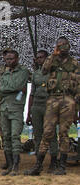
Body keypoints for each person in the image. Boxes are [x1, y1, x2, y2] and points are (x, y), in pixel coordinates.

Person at [26, 37, 79, 176]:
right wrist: (53, 55)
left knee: (63, 133)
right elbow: (44, 70)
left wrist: (76, 108)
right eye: (59, 45)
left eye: (64, 45)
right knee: (47, 132)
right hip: (52, 99)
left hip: (68, 99)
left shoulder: (74, 63)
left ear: (69, 45)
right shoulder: (52, 60)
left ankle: (61, 165)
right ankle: (38, 165)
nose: (62, 47)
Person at [25, 50, 59, 173]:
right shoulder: (36, 74)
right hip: (37, 107)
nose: (40, 60)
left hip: (50, 106)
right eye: (38, 58)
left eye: (42, 57)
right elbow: (32, 94)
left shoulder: (54, 73)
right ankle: (38, 163)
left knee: (51, 135)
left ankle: (54, 162)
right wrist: (29, 113)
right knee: (38, 136)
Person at [0, 50, 30, 176]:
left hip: (16, 108)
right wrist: (7, 89)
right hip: (4, 107)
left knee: (15, 136)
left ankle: (16, 166)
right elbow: (1, 89)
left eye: (11, 59)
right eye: (7, 59)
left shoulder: (23, 71)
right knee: (5, 137)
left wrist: (5, 88)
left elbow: (17, 86)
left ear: (17, 58)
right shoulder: (5, 73)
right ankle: (10, 165)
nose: (9, 61)